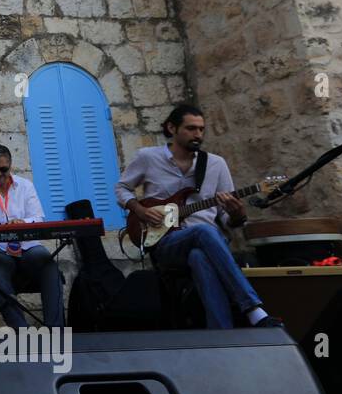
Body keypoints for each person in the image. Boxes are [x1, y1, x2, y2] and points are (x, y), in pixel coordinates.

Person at [115, 103, 282, 329]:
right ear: (172, 128)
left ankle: (221, 333)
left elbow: (227, 219)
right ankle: (253, 309)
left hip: (208, 244)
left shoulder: (215, 164)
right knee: (204, 231)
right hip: (165, 242)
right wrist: (140, 210)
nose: (198, 134)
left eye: (201, 129)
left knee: (199, 256)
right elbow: (121, 189)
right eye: (191, 129)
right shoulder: (147, 157)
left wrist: (237, 214)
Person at [0, 144, 64, 328]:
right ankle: (22, 331)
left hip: (28, 246)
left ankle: (55, 330)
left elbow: (38, 218)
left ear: (11, 165)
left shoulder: (25, 186)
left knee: (49, 265)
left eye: (3, 169)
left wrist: (23, 223)